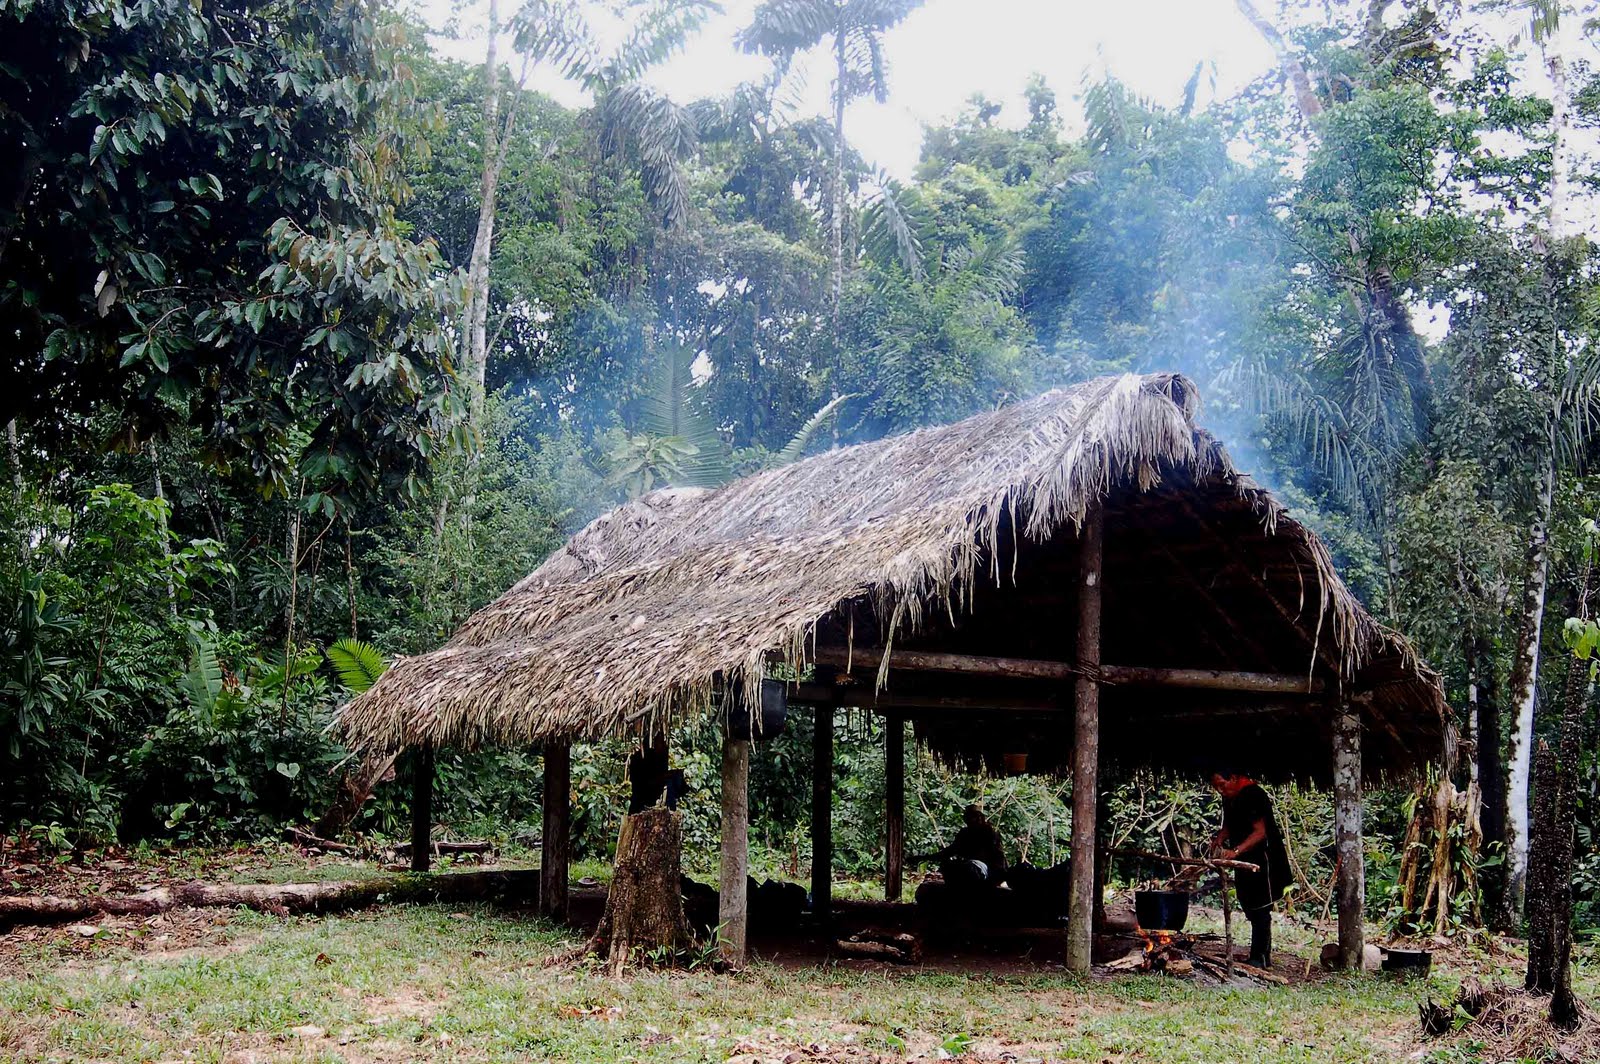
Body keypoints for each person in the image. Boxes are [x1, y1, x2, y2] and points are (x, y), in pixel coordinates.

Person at [1209, 772, 1292, 969]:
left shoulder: (1253, 795)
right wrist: (1220, 838)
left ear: (1235, 778)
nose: (1221, 791)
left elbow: (1260, 832)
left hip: (1263, 859)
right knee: (1249, 904)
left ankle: (1259, 956)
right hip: (1244, 859)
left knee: (1260, 907)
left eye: (1222, 785)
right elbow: (1230, 823)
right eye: (1216, 788)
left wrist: (1235, 851)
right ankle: (1261, 956)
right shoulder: (1230, 798)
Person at [911, 804, 1007, 893]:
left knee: (971, 868)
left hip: (987, 872)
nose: (971, 820)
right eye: (969, 817)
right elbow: (949, 852)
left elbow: (998, 860)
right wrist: (923, 858)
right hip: (971, 868)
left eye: (974, 817)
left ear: (980, 818)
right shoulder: (964, 834)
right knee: (949, 866)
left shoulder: (989, 834)